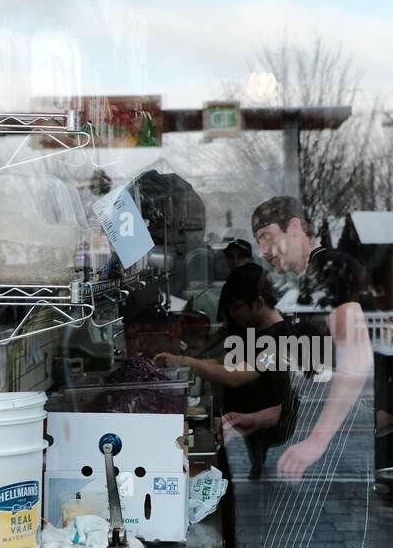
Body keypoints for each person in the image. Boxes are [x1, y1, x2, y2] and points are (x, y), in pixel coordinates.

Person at [251, 195, 374, 483]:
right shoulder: (303, 281)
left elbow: (357, 358)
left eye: (267, 237)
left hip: (344, 437)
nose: (262, 250)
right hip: (323, 432)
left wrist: (317, 440)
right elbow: (310, 372)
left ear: (294, 227)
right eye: (258, 241)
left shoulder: (331, 268)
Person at [155, 263, 299, 479]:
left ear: (258, 302)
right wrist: (183, 361)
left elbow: (236, 376)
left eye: (237, 307)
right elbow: (225, 363)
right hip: (237, 429)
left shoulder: (281, 340)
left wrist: (185, 361)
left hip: (264, 433)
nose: (232, 314)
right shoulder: (253, 330)